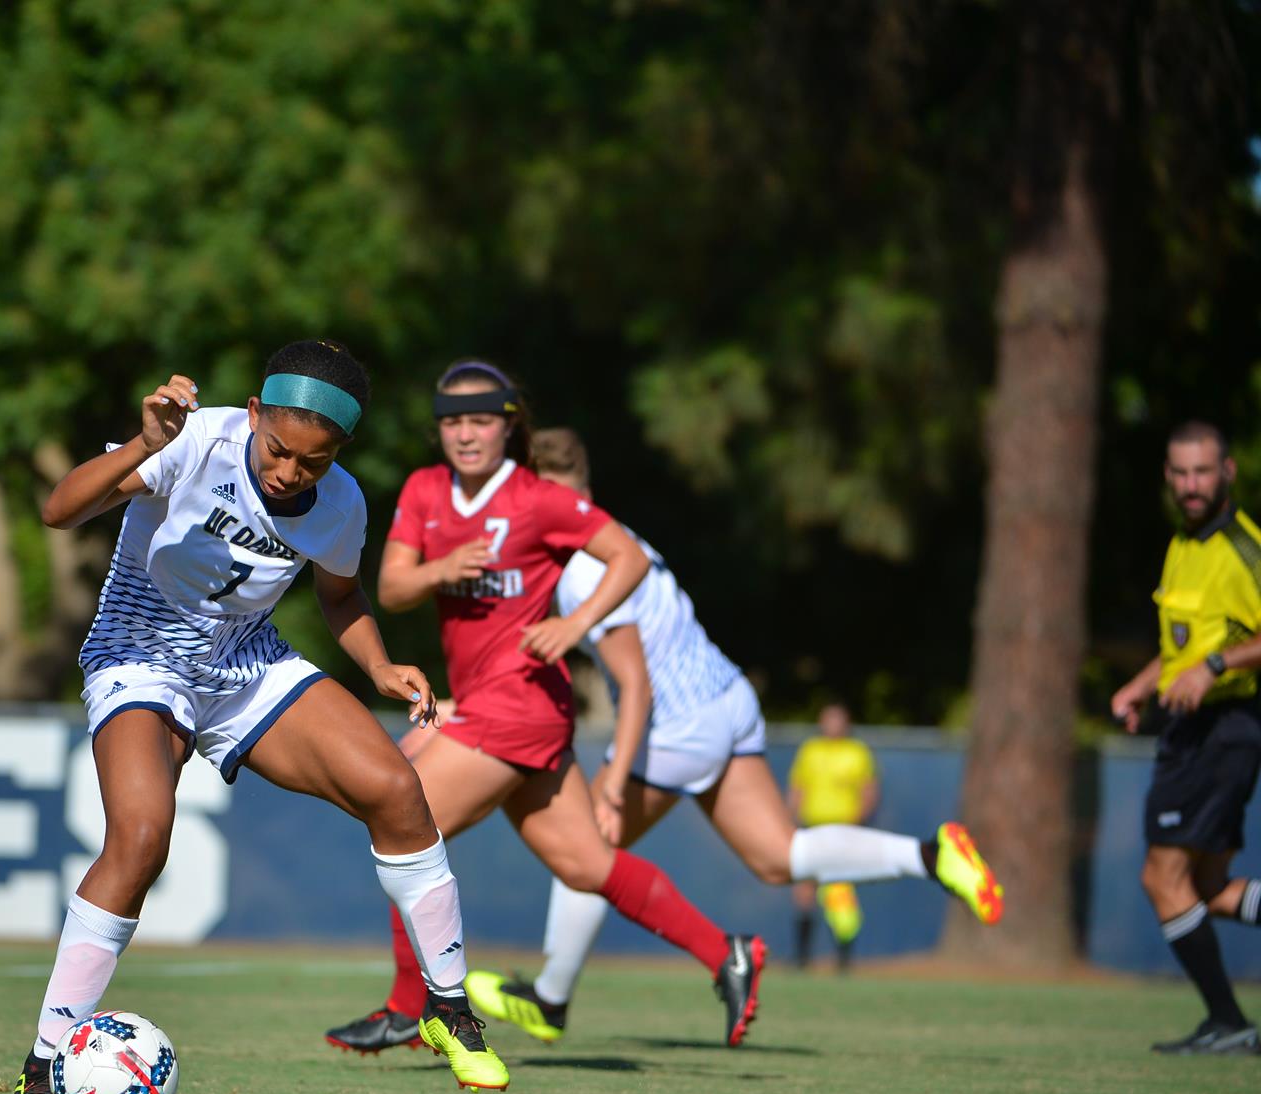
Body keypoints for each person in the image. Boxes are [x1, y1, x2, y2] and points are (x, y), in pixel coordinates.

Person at [348, 423, 1003, 1047]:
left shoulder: (574, 565)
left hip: (678, 721)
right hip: (728, 696)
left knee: (591, 847)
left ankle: (549, 997)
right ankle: (931, 855)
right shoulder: (617, 538)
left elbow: (634, 682)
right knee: (779, 854)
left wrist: (613, 776)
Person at [8, 340, 510, 1094]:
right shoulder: (194, 439)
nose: (289, 472)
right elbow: (59, 509)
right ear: (252, 416)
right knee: (139, 839)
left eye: (313, 462)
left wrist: (378, 665)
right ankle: (40, 1071)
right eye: (278, 449)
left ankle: (448, 1007)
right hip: (141, 654)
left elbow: (341, 597)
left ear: (338, 455)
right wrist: (145, 444)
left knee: (395, 789)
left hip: (245, 664)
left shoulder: (342, 502)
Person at [324, 365, 768, 1059]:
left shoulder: (537, 499)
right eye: (451, 420)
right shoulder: (424, 490)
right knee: (589, 864)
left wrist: (575, 623)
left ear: (509, 425)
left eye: (480, 419)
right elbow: (392, 585)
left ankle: (409, 1007)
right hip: (502, 708)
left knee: (403, 818)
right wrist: (443, 570)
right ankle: (727, 953)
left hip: (522, 705)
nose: (465, 433)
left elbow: (627, 557)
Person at [1111, 420, 1261, 1054]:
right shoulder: (1183, 543)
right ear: (1168, 478)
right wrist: (1143, 684)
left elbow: (1212, 658)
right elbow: (1184, 650)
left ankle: (1228, 1022)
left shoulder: (1241, 548)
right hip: (1192, 730)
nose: (1192, 484)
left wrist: (1217, 668)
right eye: (1181, 473)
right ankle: (1227, 1023)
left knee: (1160, 877)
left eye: (1204, 471)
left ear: (1227, 471)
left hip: (1222, 731)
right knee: (1200, 890)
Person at [787, 703, 880, 970]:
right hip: (811, 827)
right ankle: (801, 959)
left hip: (843, 829)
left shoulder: (856, 752)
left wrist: (858, 821)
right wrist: (790, 819)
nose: (832, 725)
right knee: (804, 889)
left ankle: (843, 959)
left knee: (839, 891)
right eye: (828, 719)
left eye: (837, 720)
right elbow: (798, 787)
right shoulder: (811, 750)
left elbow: (868, 791)